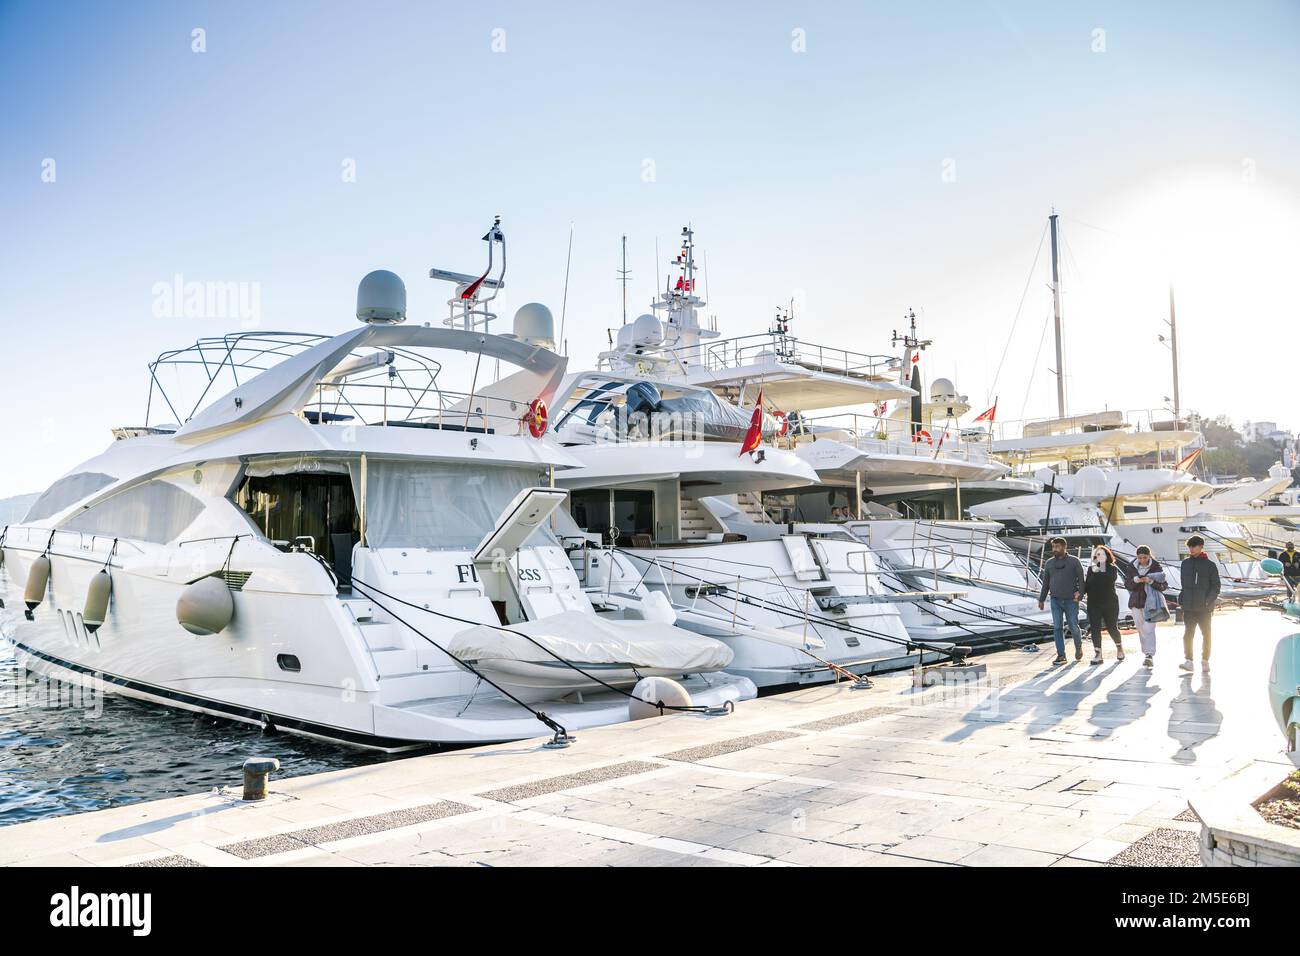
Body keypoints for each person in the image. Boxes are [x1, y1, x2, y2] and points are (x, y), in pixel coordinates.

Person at [1038, 536, 1085, 665]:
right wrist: (1041, 599)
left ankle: (1078, 646)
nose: (1055, 549)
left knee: (1073, 626)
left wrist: (1080, 595)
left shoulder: (1074, 561)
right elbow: (1045, 583)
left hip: (1071, 600)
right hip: (1055, 600)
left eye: (1057, 546)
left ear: (1064, 547)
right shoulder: (1049, 563)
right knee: (1057, 627)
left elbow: (1081, 580)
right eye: (1053, 546)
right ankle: (1061, 655)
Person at [1178, 535, 1220, 674]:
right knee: (1188, 634)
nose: (1191, 549)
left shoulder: (1210, 565)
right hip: (1188, 606)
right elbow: (1183, 585)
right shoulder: (1185, 564)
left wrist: (1209, 600)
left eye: (1194, 546)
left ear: (1201, 546)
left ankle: (1205, 660)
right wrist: (1181, 599)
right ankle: (1189, 661)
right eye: (1189, 546)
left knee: (1206, 634)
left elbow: (1216, 586)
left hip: (1204, 608)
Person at [1123, 545, 1168, 668]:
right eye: (1140, 557)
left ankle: (1149, 654)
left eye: (1145, 557)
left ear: (1149, 556)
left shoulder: (1156, 567)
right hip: (1136, 602)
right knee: (1140, 629)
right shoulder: (1131, 567)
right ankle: (1146, 653)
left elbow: (1164, 586)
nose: (1142, 560)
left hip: (1151, 603)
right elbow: (1128, 584)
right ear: (1136, 557)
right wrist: (1136, 581)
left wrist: (1151, 581)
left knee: (1149, 629)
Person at [1083, 544, 1124, 665]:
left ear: (1107, 556)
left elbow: (1108, 580)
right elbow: (1087, 585)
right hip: (1093, 603)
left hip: (1109, 602)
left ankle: (1119, 647)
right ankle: (1098, 654)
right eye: (1097, 554)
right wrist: (1078, 594)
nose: (1099, 556)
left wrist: (1099, 567)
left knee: (1112, 627)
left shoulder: (1112, 568)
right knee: (1095, 628)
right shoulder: (1091, 569)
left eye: (1101, 554)